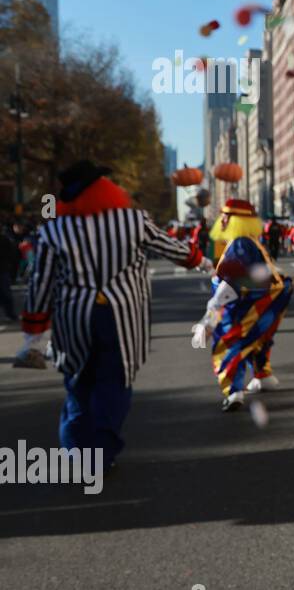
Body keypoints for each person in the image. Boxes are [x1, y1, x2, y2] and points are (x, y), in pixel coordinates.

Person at [16, 161, 211, 466]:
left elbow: (41, 282)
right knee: (115, 384)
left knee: (79, 385)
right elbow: (173, 248)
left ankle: (76, 452)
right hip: (122, 316)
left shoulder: (53, 229)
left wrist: (34, 328)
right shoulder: (133, 220)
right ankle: (102, 451)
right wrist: (201, 262)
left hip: (73, 318)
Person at [190, 199, 294, 412]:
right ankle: (262, 376)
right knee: (258, 339)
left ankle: (233, 391)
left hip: (246, 301)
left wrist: (209, 316)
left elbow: (231, 280)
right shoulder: (249, 241)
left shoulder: (240, 243)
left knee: (228, 343)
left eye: (228, 216)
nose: (223, 219)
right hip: (265, 297)